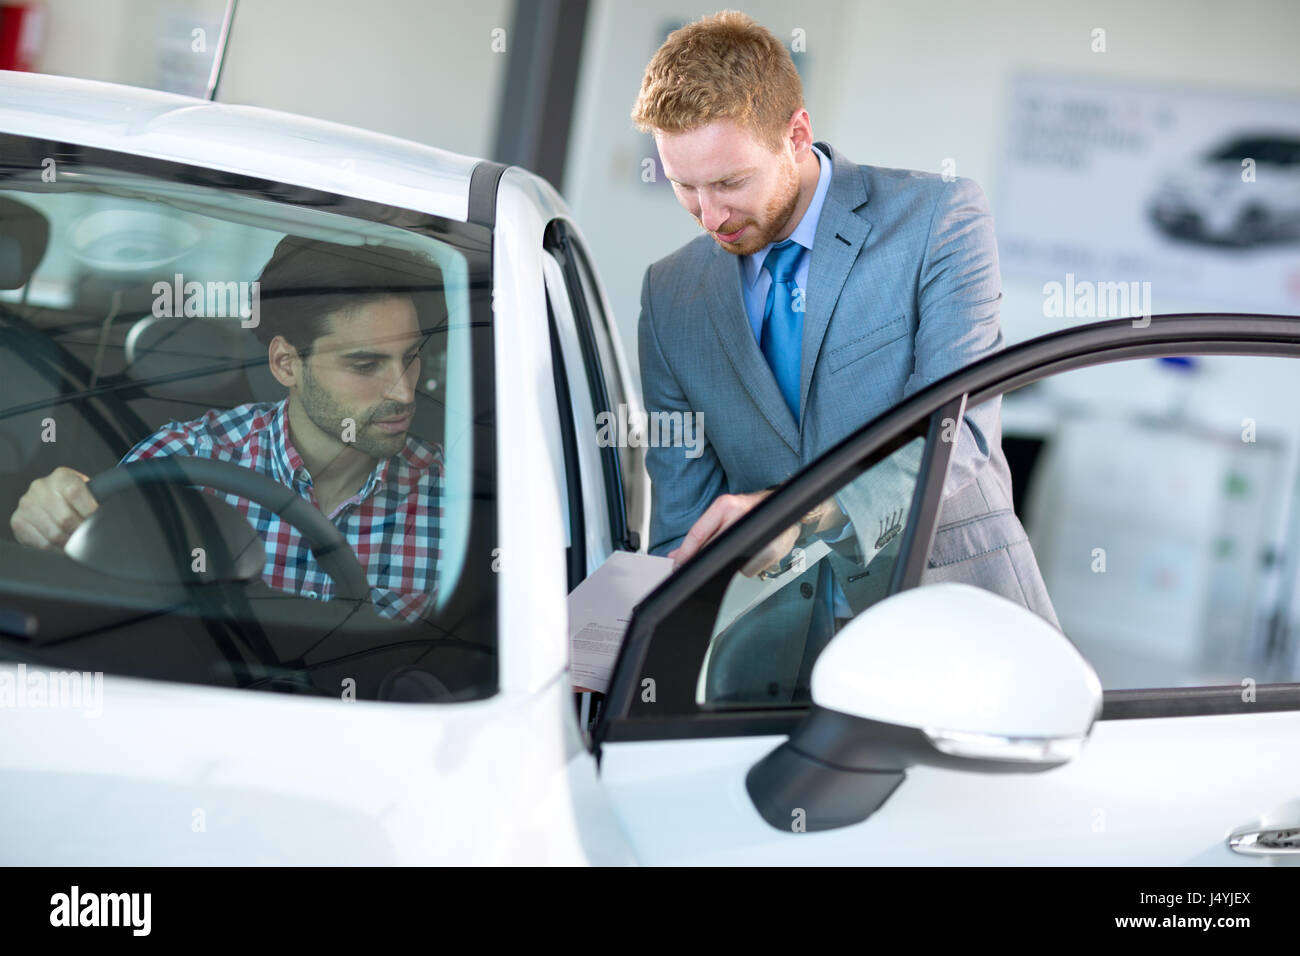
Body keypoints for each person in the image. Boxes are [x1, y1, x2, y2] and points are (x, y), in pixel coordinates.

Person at [630, 11, 1058, 698]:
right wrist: (637, 662)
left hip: (959, 627)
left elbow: (961, 438)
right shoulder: (670, 292)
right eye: (684, 186)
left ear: (796, 135)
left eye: (729, 183)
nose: (708, 216)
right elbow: (683, 515)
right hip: (772, 666)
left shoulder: (939, 220)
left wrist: (793, 515)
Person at [8, 236, 444, 623]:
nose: (405, 392)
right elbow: (92, 605)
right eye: (366, 365)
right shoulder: (184, 459)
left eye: (410, 356)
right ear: (286, 363)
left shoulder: (456, 500)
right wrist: (51, 525)